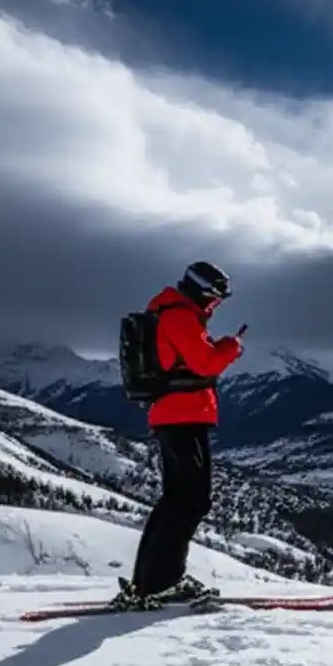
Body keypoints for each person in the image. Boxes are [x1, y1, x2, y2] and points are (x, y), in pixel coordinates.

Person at [115, 261, 244, 609]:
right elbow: (205, 364)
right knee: (192, 500)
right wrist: (229, 348)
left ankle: (149, 582)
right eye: (215, 299)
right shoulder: (180, 316)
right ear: (202, 291)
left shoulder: (168, 312)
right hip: (183, 416)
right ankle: (162, 582)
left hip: (174, 416)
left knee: (176, 500)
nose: (216, 307)